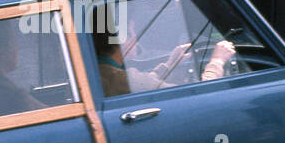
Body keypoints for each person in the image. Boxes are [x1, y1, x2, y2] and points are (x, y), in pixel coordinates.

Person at [92, 25, 235, 97]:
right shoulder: (123, 78)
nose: (136, 37)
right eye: (132, 31)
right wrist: (217, 61)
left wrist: (170, 64)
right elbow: (200, 95)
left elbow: (146, 84)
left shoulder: (100, 71)